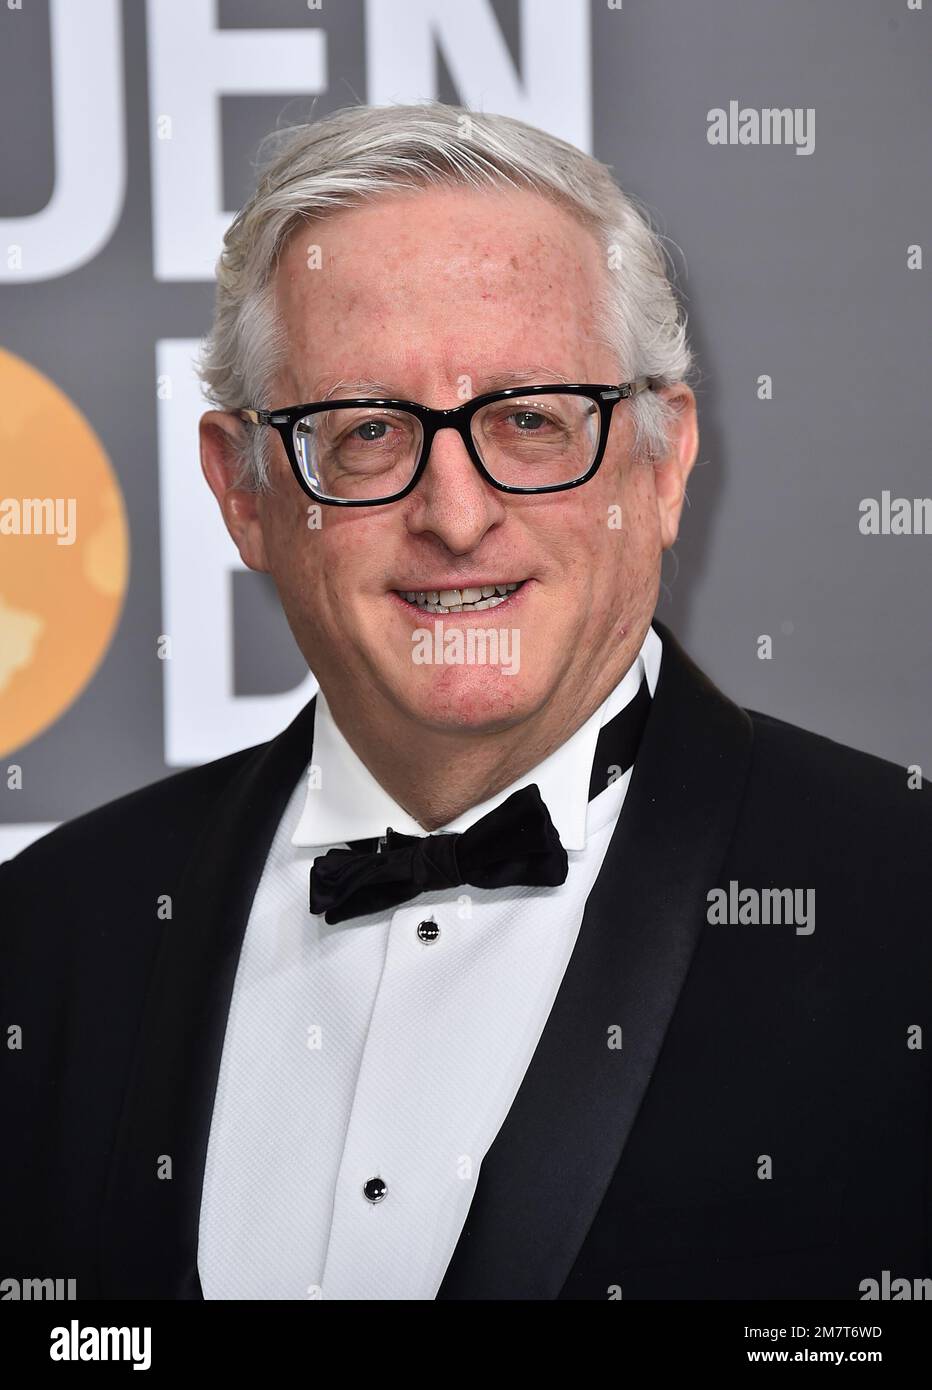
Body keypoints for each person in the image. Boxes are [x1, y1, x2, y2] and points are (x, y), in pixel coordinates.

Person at [1, 103, 929, 1302]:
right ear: (242, 491)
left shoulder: (903, 904)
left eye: (530, 420)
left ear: (662, 461)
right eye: (368, 431)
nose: (453, 514)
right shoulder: (43, 943)